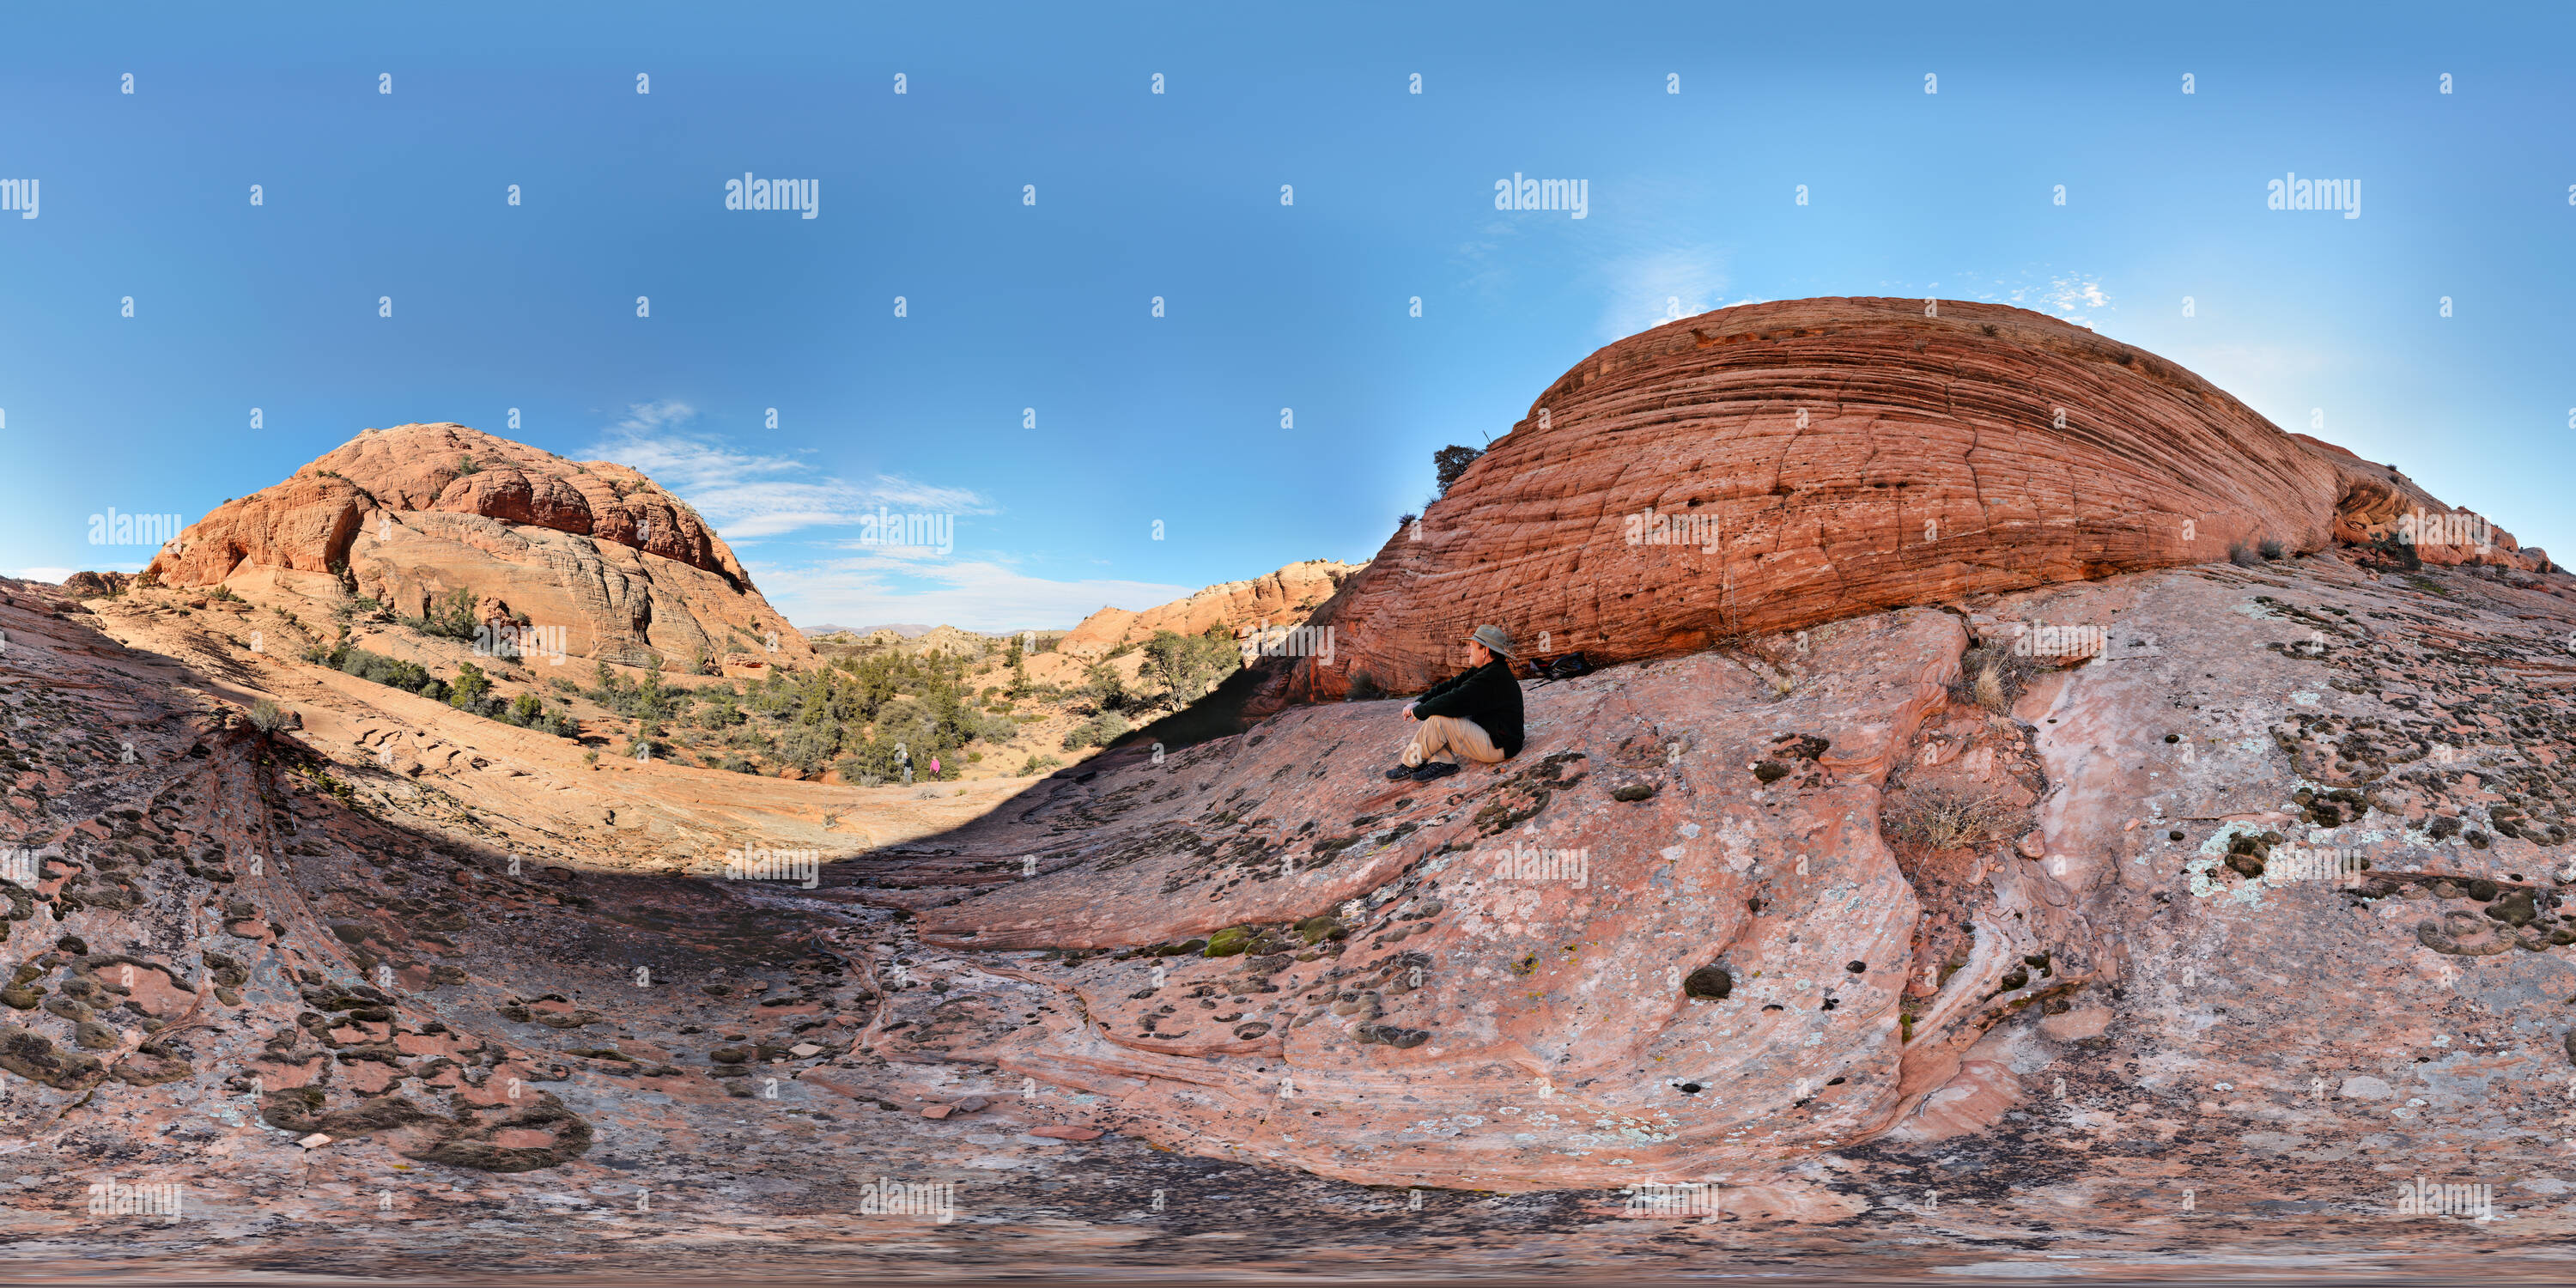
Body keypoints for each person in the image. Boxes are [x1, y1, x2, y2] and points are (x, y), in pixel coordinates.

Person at [1385, 625, 1524, 782]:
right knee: (1441, 712)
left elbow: (1454, 700)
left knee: (1439, 720)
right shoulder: (1486, 670)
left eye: (1471, 647)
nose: (1467, 651)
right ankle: (1443, 762)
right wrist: (1419, 702)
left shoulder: (1493, 677)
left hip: (1500, 746)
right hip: (1493, 734)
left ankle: (1411, 763)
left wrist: (1420, 712)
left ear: (1485, 651)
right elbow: (1449, 686)